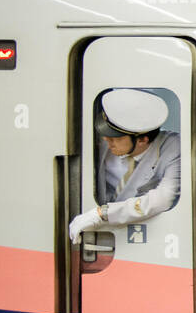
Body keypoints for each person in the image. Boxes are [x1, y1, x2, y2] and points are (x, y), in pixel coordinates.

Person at [68, 89, 182, 243]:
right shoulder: (105, 144)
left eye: (115, 137)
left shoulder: (173, 148)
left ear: (142, 140)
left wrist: (102, 213)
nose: (106, 140)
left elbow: (163, 198)